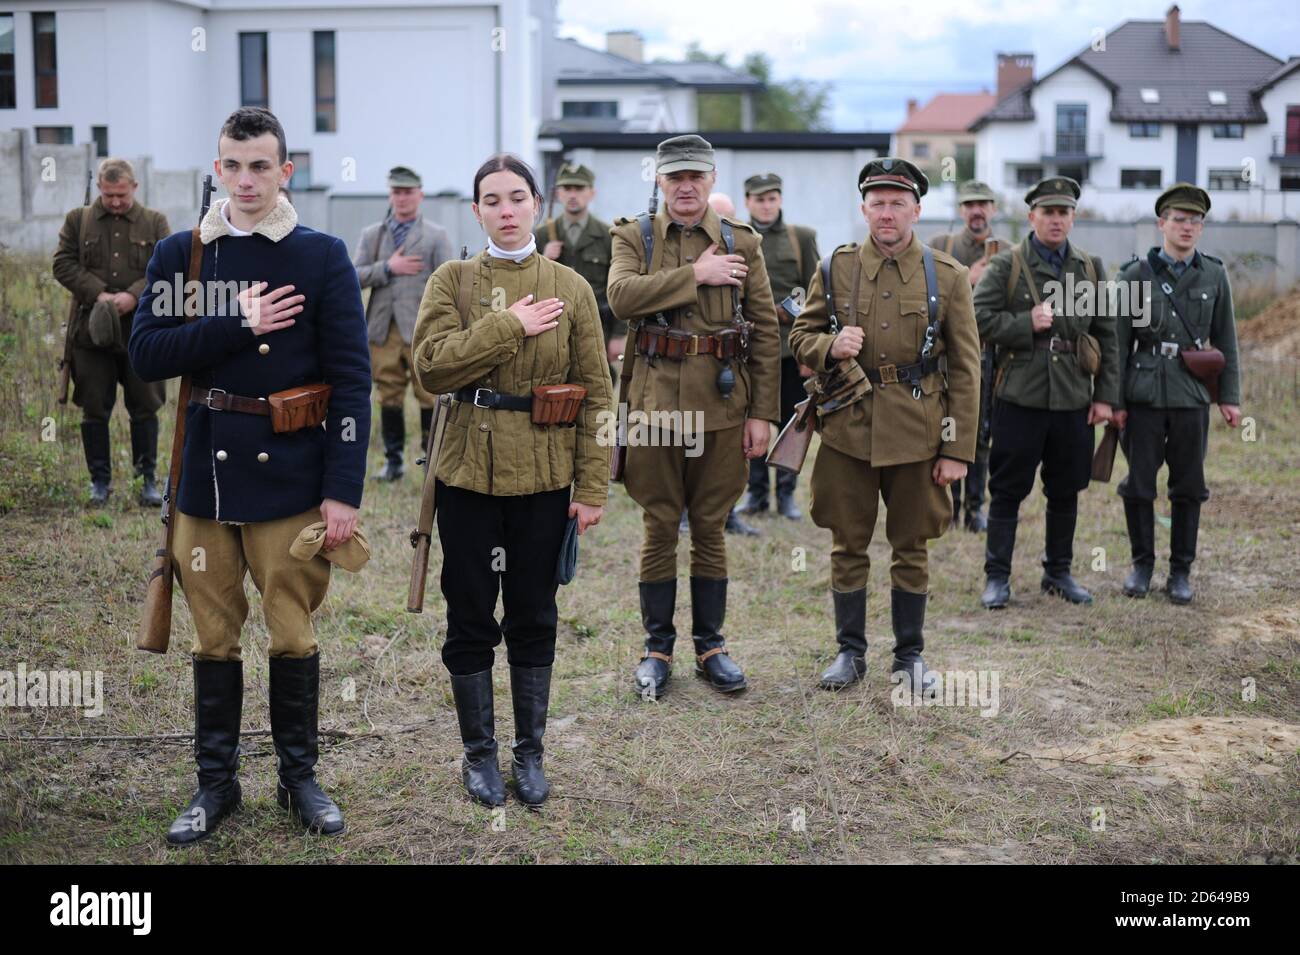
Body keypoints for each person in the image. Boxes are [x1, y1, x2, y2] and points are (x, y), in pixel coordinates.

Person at [129, 106, 371, 844]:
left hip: (292, 476)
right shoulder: (181, 253)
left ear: (285, 171)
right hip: (205, 476)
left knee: (292, 633)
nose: (245, 181)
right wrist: (237, 321)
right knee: (213, 636)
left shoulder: (320, 256)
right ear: (216, 168)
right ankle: (216, 783)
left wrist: (342, 490)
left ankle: (300, 778)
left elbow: (353, 384)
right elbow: (145, 353)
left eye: (260, 166)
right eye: (231, 165)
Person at [411, 154, 612, 807]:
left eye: (517, 197)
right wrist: (510, 324)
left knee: (533, 615)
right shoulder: (454, 280)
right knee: (469, 617)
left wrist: (592, 487)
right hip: (466, 477)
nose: (505, 209)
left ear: (537, 205)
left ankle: (529, 754)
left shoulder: (571, 287)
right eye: (492, 199)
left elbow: (597, 396)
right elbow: (432, 369)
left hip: (545, 480)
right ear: (476, 210)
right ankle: (479, 756)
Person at [790, 158, 981, 692]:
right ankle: (849, 654)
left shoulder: (948, 275)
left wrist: (957, 447)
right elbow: (799, 338)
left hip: (919, 433)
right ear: (864, 209)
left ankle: (910, 657)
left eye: (898, 203)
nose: (887, 213)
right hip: (848, 430)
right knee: (847, 544)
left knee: (911, 544)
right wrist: (830, 345)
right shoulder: (834, 268)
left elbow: (966, 369)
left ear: (916, 210)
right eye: (878, 203)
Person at [607, 134, 781, 698]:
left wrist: (763, 414)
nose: (685, 187)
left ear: (710, 180)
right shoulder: (634, 235)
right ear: (659, 181)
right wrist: (695, 277)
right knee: (659, 526)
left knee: (710, 526)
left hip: (723, 408)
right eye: (674, 177)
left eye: (695, 177)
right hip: (654, 407)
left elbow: (766, 330)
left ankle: (712, 647)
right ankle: (657, 648)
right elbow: (622, 298)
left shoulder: (743, 243)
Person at [973, 176, 1118, 609]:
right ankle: (997, 578)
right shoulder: (1007, 265)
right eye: (1048, 212)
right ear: (1031, 216)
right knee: (1007, 489)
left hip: (1074, 397)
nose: (1056, 220)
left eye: (1064, 212)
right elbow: (976, 320)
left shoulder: (1090, 268)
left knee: (1066, 488)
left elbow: (1107, 334)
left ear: (1073, 217)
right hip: (1020, 395)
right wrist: (1023, 324)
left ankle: (1058, 573)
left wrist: (1105, 396)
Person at [1113, 183, 1242, 604]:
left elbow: (1227, 339)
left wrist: (1229, 396)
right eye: (1179, 220)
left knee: (1188, 486)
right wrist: (1113, 400)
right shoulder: (1134, 275)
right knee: (1139, 485)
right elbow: (1117, 344)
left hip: (1190, 394)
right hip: (1143, 394)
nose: (1187, 227)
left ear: (1202, 228)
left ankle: (1180, 571)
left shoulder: (1214, 274)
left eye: (1195, 221)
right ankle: (1141, 566)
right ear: (1161, 224)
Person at [52, 158, 171, 506]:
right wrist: (98, 293)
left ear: (134, 188)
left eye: (121, 195)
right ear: (100, 190)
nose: (115, 201)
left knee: (146, 406)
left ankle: (146, 481)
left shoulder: (155, 222)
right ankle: (99, 482)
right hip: (92, 333)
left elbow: (166, 268)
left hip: (143, 332)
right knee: (93, 407)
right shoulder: (79, 219)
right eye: (108, 195)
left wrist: (133, 295)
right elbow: (62, 263)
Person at [354, 165, 453, 480]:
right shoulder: (373, 235)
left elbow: (449, 283)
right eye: (396, 192)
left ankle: (430, 460)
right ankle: (393, 461)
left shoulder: (436, 235)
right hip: (383, 330)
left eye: (408, 191)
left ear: (420, 195)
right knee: (388, 394)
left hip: (424, 330)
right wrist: (388, 267)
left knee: (429, 394)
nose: (402, 198)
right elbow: (353, 275)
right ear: (390, 194)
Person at [734, 173, 820, 523]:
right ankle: (755, 493)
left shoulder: (801, 238)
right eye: (758, 199)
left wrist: (809, 350)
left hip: (790, 348)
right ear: (748, 202)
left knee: (791, 422)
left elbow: (814, 290)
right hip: (748, 347)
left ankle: (786, 494)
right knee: (751, 421)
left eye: (771, 198)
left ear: (780, 200)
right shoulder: (737, 238)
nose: (766, 205)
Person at [927, 180, 1004, 531]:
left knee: (980, 432)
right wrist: (968, 281)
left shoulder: (1006, 254)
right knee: (946, 427)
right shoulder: (940, 248)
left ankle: (975, 509)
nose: (977, 210)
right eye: (970, 204)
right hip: (944, 357)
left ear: (993, 209)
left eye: (983, 204)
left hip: (988, 354)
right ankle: (948, 504)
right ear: (961, 211)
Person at [535, 163, 621, 371]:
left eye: (579, 188)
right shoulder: (542, 235)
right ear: (557, 194)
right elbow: (527, 286)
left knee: (600, 387)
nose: (573, 194)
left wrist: (619, 334)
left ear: (592, 193)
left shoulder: (607, 235)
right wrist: (543, 259)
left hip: (598, 327)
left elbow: (619, 288)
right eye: (567, 188)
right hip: (552, 329)